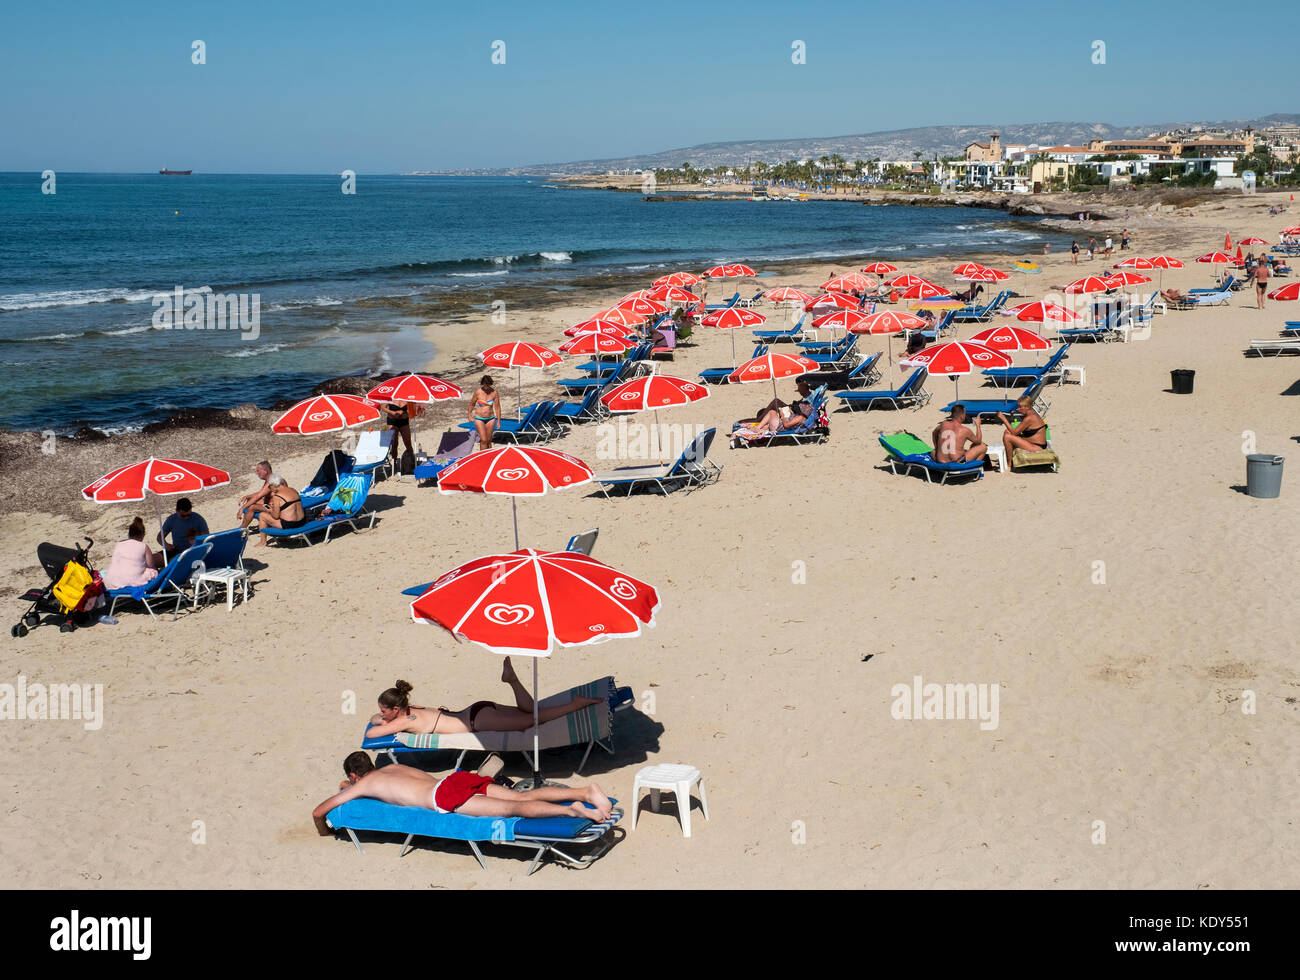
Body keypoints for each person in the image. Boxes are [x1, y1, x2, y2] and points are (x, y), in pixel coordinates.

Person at [311, 752, 613, 834]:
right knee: (520, 797)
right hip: (456, 780)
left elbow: (319, 811)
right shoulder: (394, 767)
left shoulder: (364, 785)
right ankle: (585, 792)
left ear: (353, 775)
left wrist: (323, 830)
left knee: (514, 810)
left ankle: (573, 811)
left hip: (443, 799)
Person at [364, 662, 603, 738]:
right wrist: (382, 718)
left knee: (531, 721)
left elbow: (371, 733)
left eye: (385, 711)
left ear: (397, 709)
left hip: (477, 722)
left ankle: (575, 705)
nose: (381, 715)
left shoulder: (408, 719)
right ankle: (511, 680)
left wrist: (384, 723)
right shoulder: (411, 707)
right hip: (477, 710)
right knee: (530, 711)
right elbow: (376, 720)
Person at [102, 517, 161, 590]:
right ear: (142, 534)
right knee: (153, 572)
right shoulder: (143, 546)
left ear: (129, 534)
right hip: (130, 582)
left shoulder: (119, 544)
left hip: (110, 581)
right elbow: (151, 565)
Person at [254, 474, 306, 545]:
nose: (269, 488)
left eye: (269, 486)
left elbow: (275, 516)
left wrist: (270, 510)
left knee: (262, 516)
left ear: (274, 485)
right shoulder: (293, 490)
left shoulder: (277, 496)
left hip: (290, 524)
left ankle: (263, 542)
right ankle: (282, 538)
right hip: (302, 521)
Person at [996, 396, 1048, 463]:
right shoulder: (1032, 413)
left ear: (1027, 407)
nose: (1018, 409)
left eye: (1020, 407)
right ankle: (1009, 458)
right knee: (1007, 432)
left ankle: (1009, 463)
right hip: (1035, 443)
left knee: (1007, 437)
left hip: (1037, 447)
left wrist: (1003, 418)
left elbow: (1015, 432)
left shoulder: (1030, 418)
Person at [468, 376, 501, 452]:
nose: (486, 387)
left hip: (491, 418)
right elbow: (472, 404)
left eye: (488, 385)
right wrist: (469, 415)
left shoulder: (494, 393)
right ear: (482, 384)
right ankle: (482, 458)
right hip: (479, 418)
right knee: (483, 440)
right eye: (484, 385)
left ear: (490, 384)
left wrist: (499, 421)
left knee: (489, 440)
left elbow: (497, 407)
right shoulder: (478, 392)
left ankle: (489, 457)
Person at [237, 460, 273, 529]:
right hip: (270, 505)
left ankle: (241, 529)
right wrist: (247, 496)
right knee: (250, 501)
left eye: (258, 471)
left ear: (265, 471)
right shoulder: (271, 479)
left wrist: (242, 508)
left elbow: (258, 496)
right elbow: (261, 492)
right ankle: (263, 523)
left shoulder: (271, 481)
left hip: (275, 509)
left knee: (252, 507)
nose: (257, 473)